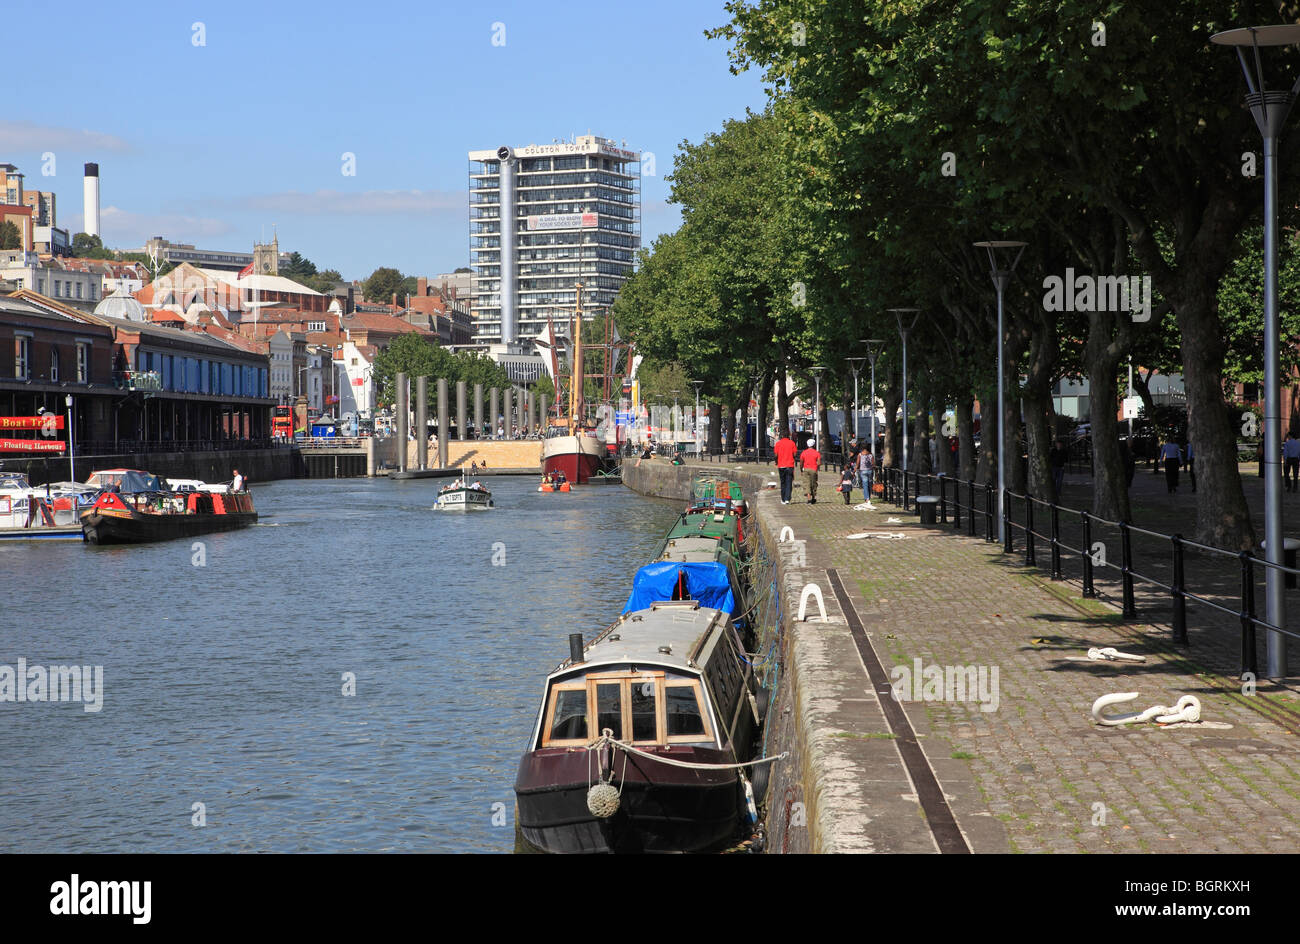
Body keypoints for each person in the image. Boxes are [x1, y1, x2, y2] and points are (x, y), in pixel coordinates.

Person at [774, 428, 797, 504]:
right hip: (790, 465)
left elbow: (776, 455)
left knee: (782, 482)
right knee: (789, 482)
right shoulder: (792, 443)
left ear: (781, 435)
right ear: (789, 435)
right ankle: (787, 498)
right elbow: (795, 454)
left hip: (781, 465)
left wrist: (776, 462)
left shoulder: (778, 444)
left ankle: (783, 499)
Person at [799, 438, 822, 504]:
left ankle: (808, 498)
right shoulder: (817, 453)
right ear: (814, 445)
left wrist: (801, 470)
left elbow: (801, 462)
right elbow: (819, 463)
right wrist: (817, 467)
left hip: (806, 469)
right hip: (814, 469)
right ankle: (813, 497)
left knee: (806, 483)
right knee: (813, 483)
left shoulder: (804, 453)